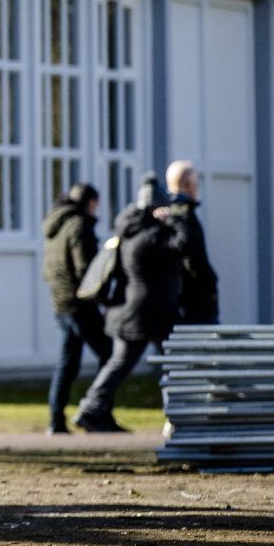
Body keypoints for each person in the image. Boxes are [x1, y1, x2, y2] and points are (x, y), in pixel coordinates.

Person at [73, 174, 180, 432]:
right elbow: (181, 246)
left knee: (121, 362)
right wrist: (174, 220)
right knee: (171, 365)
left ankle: (90, 406)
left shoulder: (126, 230)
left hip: (125, 308)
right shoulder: (152, 235)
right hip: (149, 311)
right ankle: (176, 416)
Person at [41, 183, 110, 435]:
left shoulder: (55, 225)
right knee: (110, 355)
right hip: (79, 303)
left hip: (61, 302)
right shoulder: (80, 225)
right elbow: (87, 270)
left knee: (68, 363)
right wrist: (104, 300)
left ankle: (56, 419)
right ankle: (99, 414)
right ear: (90, 202)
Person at [165, 160, 219, 325]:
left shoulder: (172, 212)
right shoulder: (183, 214)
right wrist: (209, 279)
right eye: (196, 182)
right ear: (187, 185)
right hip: (196, 299)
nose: (198, 187)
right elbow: (192, 258)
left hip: (186, 298)